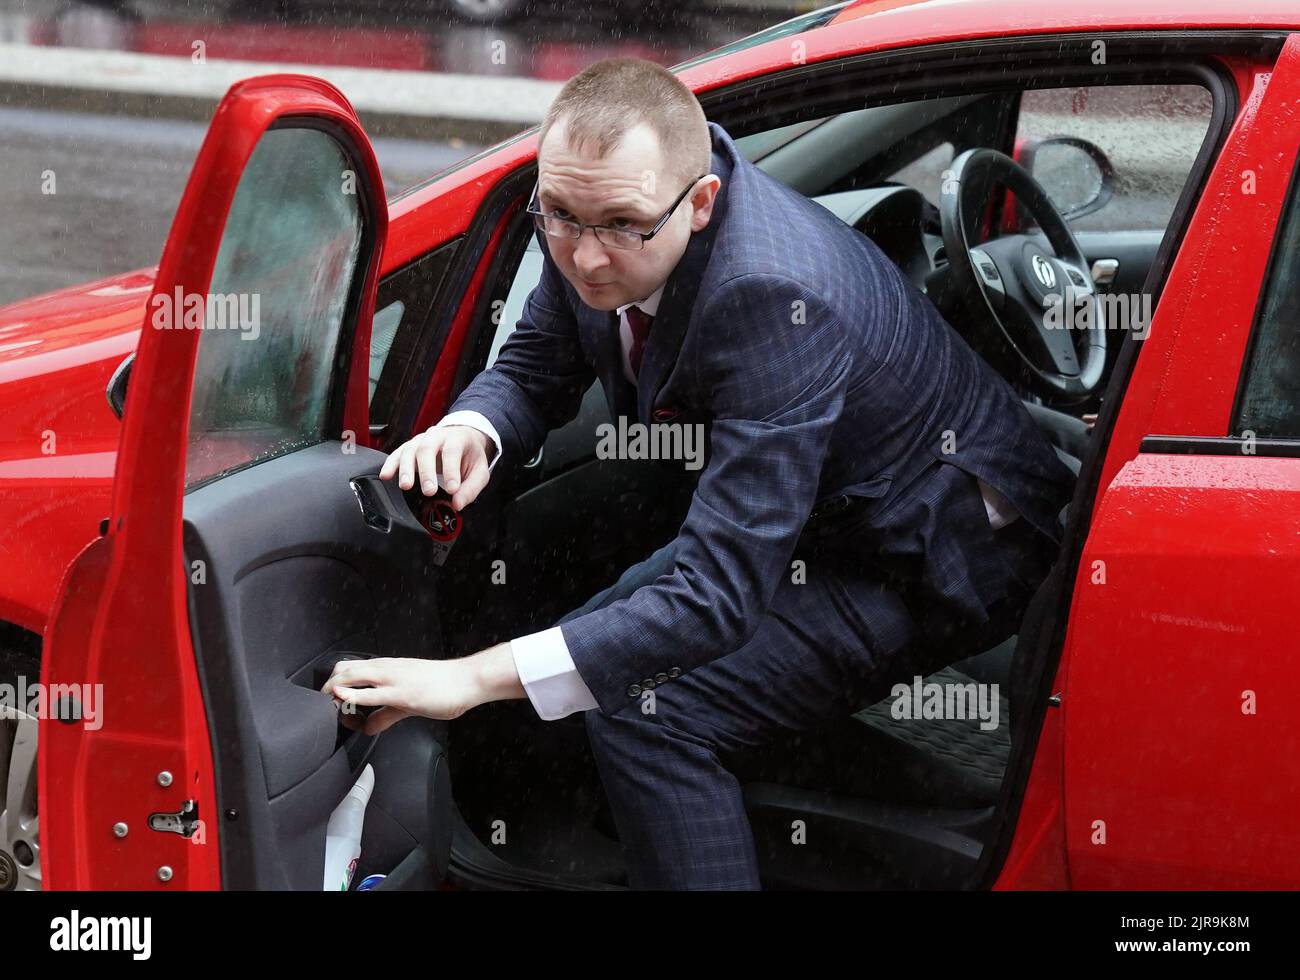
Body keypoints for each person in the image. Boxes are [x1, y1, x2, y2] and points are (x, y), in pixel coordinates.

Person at [322, 56, 1076, 889]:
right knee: (605, 635)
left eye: (620, 227)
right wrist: (472, 428)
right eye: (561, 217)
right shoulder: (600, 211)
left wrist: (467, 680)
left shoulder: (771, 297)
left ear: (703, 201)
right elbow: (539, 365)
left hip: (932, 548)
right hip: (820, 513)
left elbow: (715, 595)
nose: (584, 260)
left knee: (649, 710)